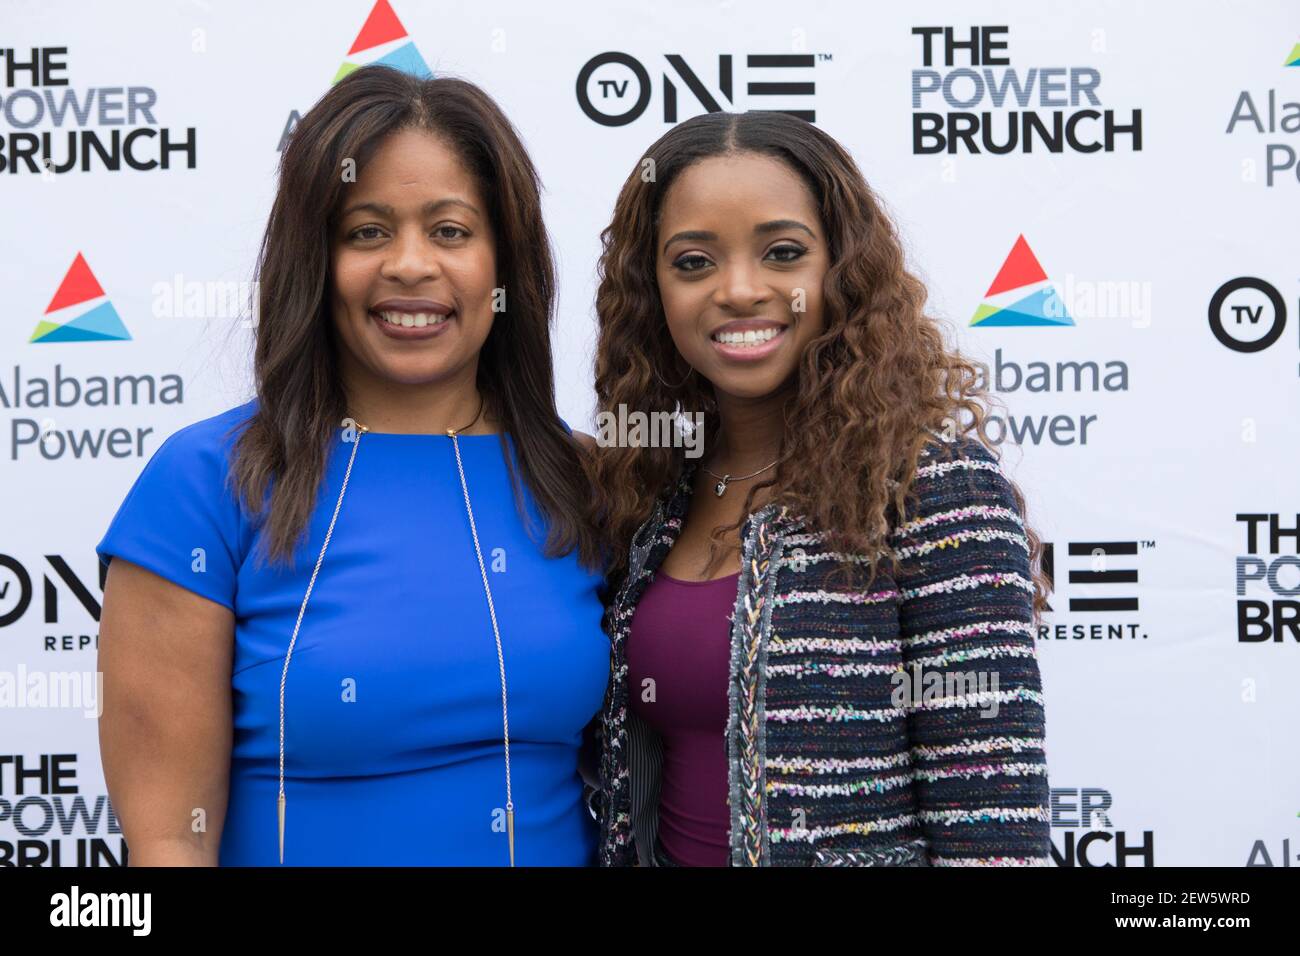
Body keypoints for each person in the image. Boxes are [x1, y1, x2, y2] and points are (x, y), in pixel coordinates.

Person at [95, 66, 608, 866]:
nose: (410, 265)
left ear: (505, 264)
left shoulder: (581, 479)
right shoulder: (205, 483)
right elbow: (168, 844)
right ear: (315, 262)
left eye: (451, 231)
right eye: (367, 232)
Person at [587, 110, 1052, 866]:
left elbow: (991, 828)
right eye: (694, 262)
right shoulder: (651, 491)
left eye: (783, 252)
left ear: (841, 269)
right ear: (653, 289)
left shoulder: (931, 487)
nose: (740, 290)